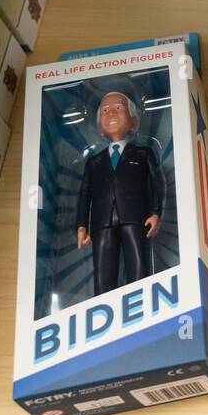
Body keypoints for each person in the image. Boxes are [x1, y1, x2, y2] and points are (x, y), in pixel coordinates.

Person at [76, 91, 166, 296]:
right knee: (103, 276)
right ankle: (104, 311)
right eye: (105, 111)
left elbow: (156, 183)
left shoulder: (143, 154)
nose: (111, 114)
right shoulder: (94, 162)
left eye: (119, 108)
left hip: (135, 219)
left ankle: (141, 304)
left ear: (134, 122)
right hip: (102, 222)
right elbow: (84, 194)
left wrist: (155, 212)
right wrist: (81, 225)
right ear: (99, 127)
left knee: (138, 270)